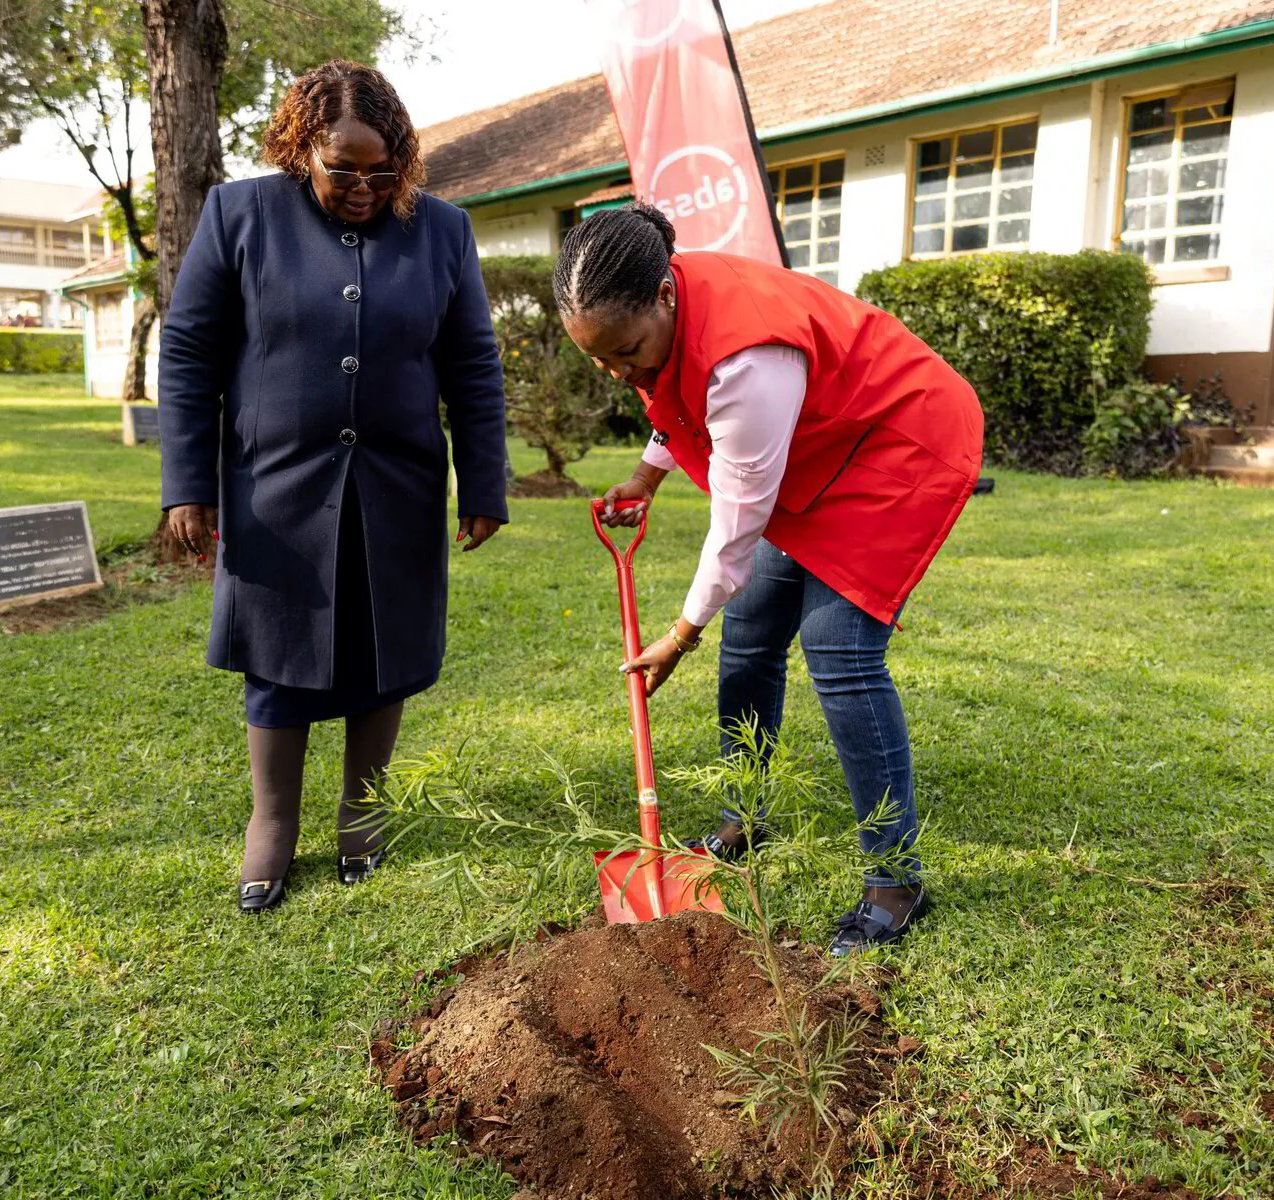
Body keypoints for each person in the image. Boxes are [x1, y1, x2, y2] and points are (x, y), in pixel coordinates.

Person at [555, 204, 982, 956]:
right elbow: (670, 390)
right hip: (820, 447)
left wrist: (683, 632)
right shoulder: (662, 308)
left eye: (626, 352)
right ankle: (742, 815)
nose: (622, 373)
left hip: (900, 439)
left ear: (662, 294)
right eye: (602, 361)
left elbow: (737, 522)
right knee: (750, 633)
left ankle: (894, 878)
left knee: (839, 647)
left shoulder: (747, 358)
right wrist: (645, 477)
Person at [158, 60, 509, 914]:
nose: (363, 186)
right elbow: (190, 351)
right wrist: (186, 484)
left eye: (382, 169)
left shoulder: (442, 230)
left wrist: (484, 484)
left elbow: (471, 364)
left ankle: (364, 810)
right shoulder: (239, 214)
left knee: (381, 650)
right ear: (298, 149)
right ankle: (272, 822)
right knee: (277, 655)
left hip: (400, 482)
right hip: (274, 484)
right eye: (341, 168)